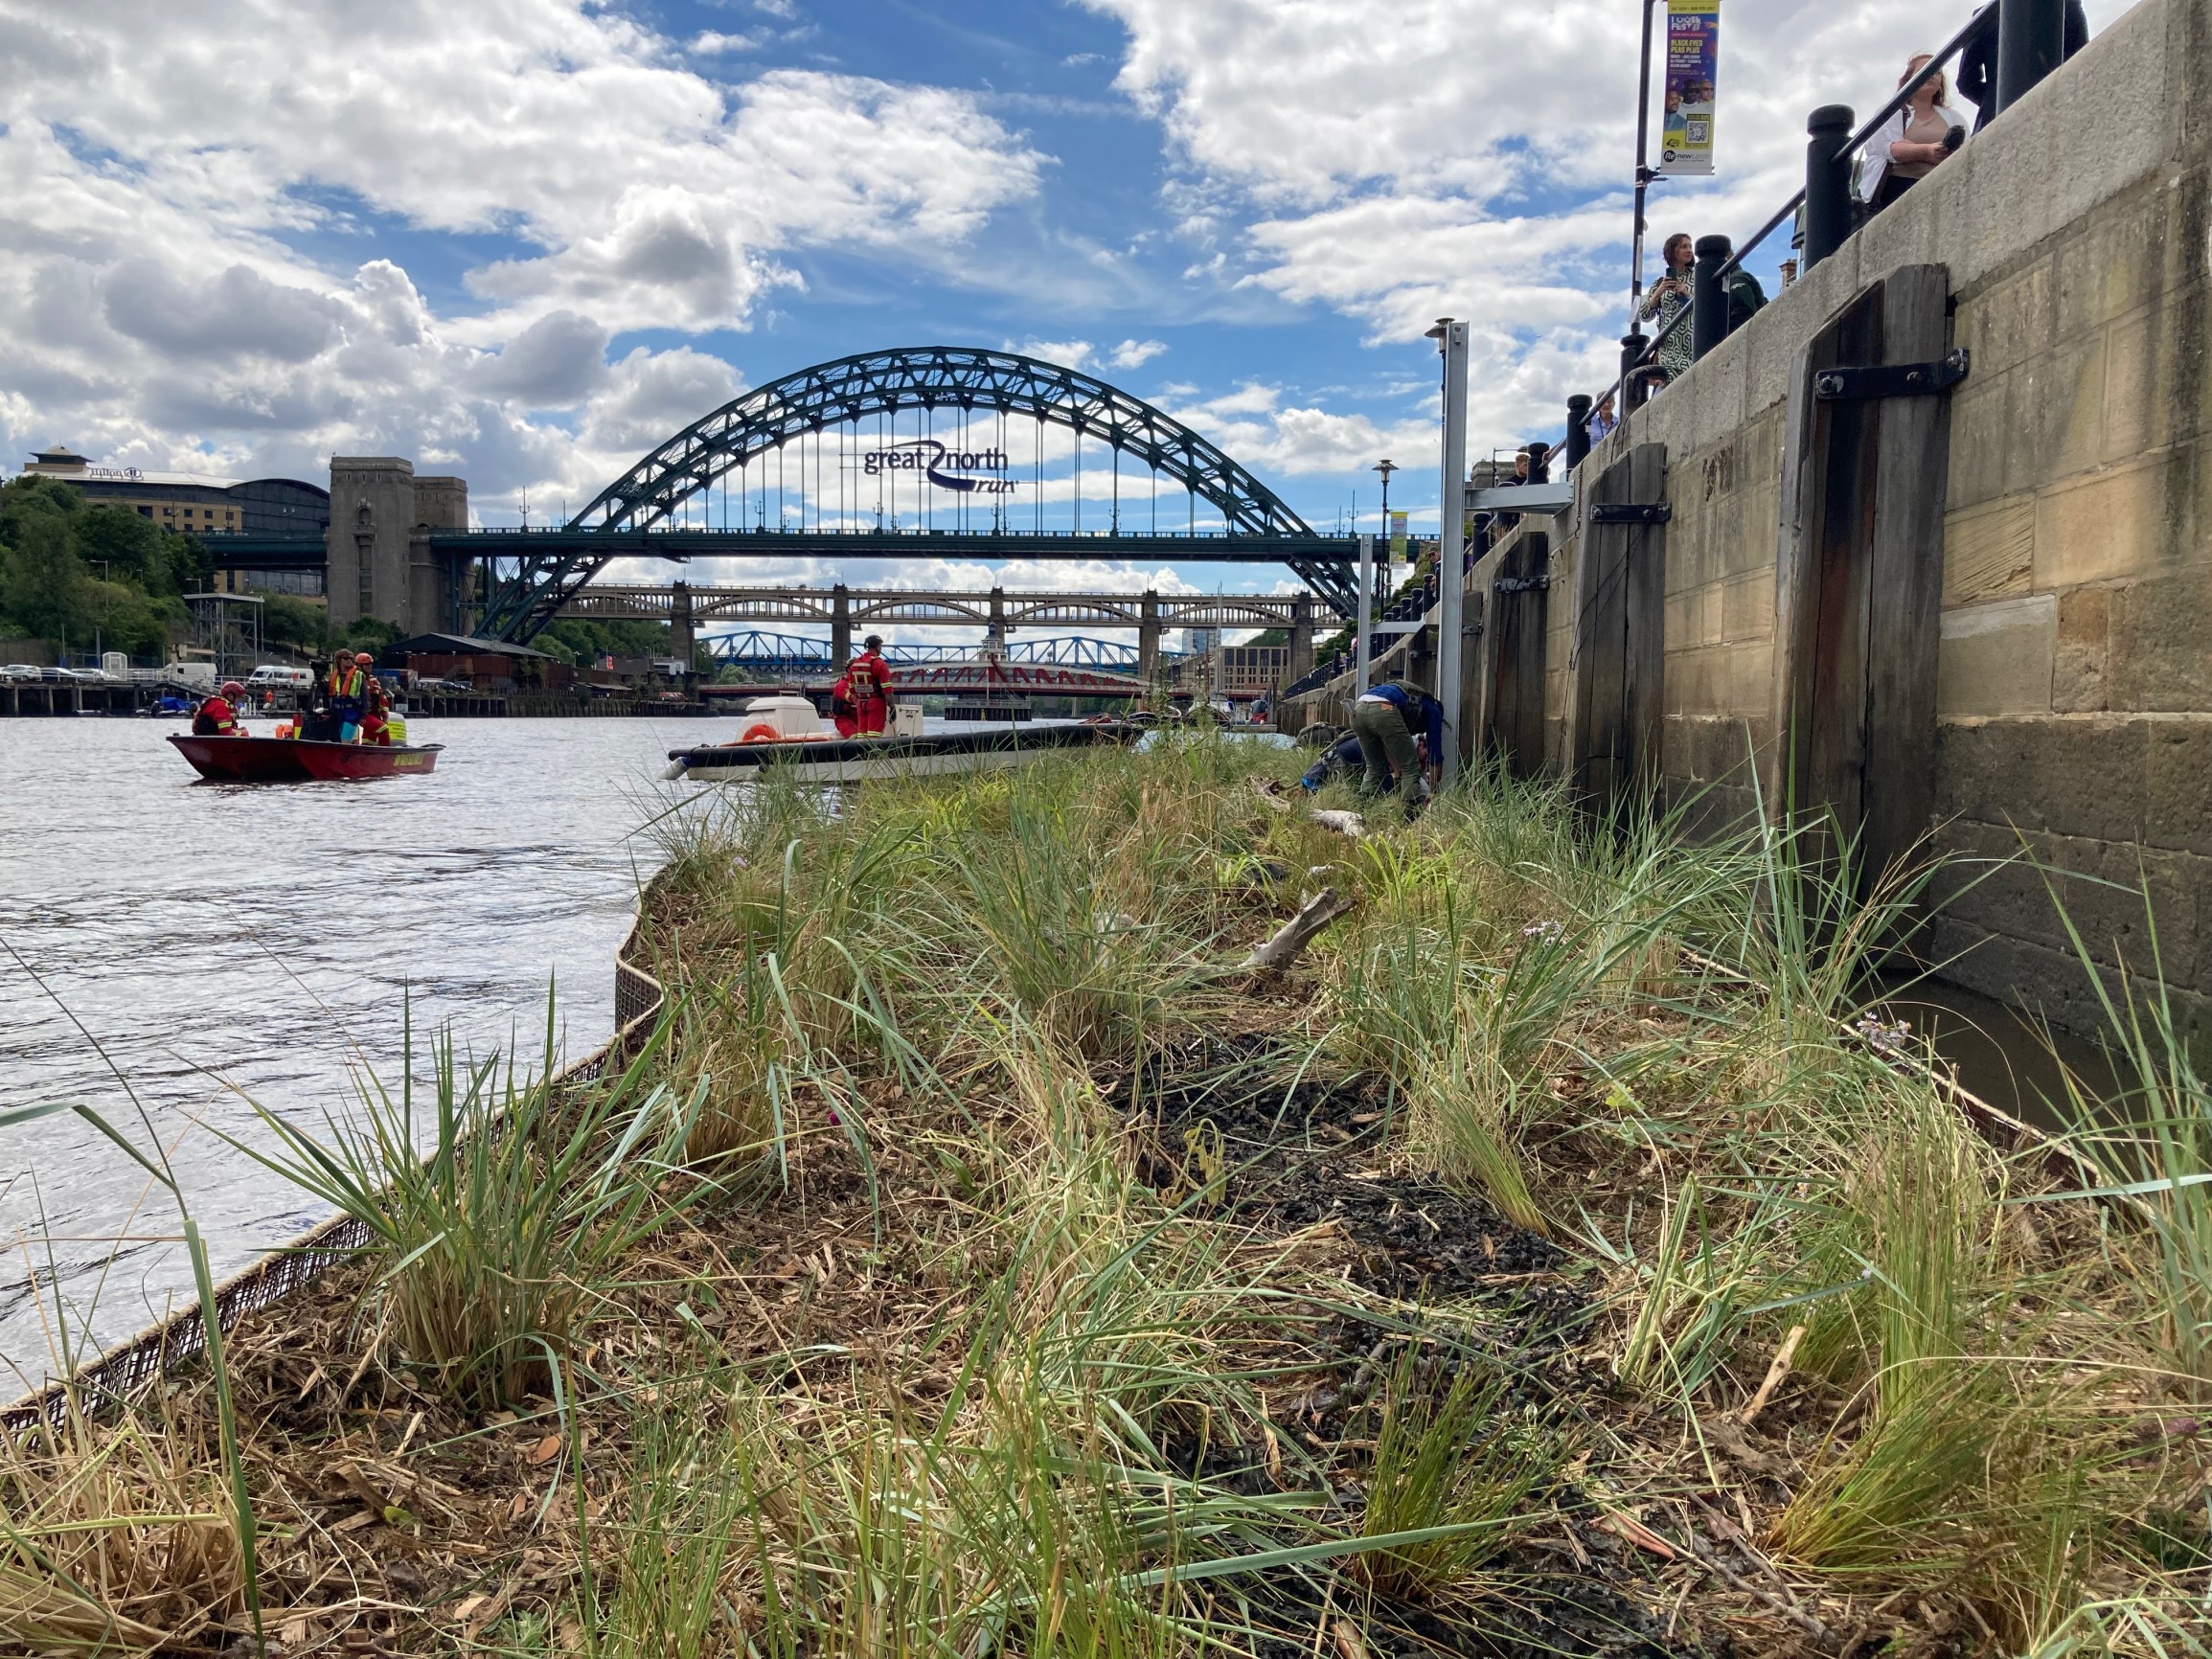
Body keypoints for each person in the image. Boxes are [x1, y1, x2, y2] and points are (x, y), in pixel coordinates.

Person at [1957, 1, 2089, 132]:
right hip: (2056, 116)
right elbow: (2082, 63)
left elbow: (1965, 83)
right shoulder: (2068, 5)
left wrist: (1996, 99)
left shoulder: (1984, 15)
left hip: (1997, 121)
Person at [1861, 56, 1969, 212]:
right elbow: (1889, 149)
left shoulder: (1954, 117)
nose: (1932, 74)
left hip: (1944, 186)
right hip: (1898, 188)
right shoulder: (1892, 111)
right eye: (1924, 70)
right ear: (1908, 79)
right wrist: (1926, 152)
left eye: (1937, 72)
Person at [1350, 678, 1444, 817]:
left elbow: (1387, 744)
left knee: (1374, 768)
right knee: (1411, 769)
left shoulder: (1411, 701)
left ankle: (1363, 813)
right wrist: (1433, 792)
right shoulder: (1434, 710)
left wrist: (1398, 773)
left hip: (1358, 709)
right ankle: (1408, 817)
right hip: (1384, 708)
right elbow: (1435, 756)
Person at [1637, 233, 1696, 389]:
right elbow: (1644, 314)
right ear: (1673, 251)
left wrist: (1687, 295)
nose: (1689, 250)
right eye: (1684, 246)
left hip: (1692, 344)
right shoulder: (1659, 283)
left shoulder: (1698, 277)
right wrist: (1658, 293)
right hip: (1668, 351)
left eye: (1690, 246)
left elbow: (1706, 308)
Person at [840, 633, 896, 736]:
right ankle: (874, 752)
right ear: (877, 646)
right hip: (876, 703)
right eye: (880, 646)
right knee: (874, 735)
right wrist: (892, 706)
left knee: (862, 735)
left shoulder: (855, 664)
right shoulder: (879, 663)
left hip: (861, 703)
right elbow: (887, 689)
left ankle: (862, 752)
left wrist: (858, 704)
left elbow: (852, 690)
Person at [324, 649, 369, 742]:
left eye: (351, 658)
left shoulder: (358, 675)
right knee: (335, 740)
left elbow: (365, 697)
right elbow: (327, 694)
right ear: (339, 660)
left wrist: (363, 716)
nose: (349, 660)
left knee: (345, 741)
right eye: (346, 658)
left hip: (352, 713)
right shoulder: (334, 675)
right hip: (336, 713)